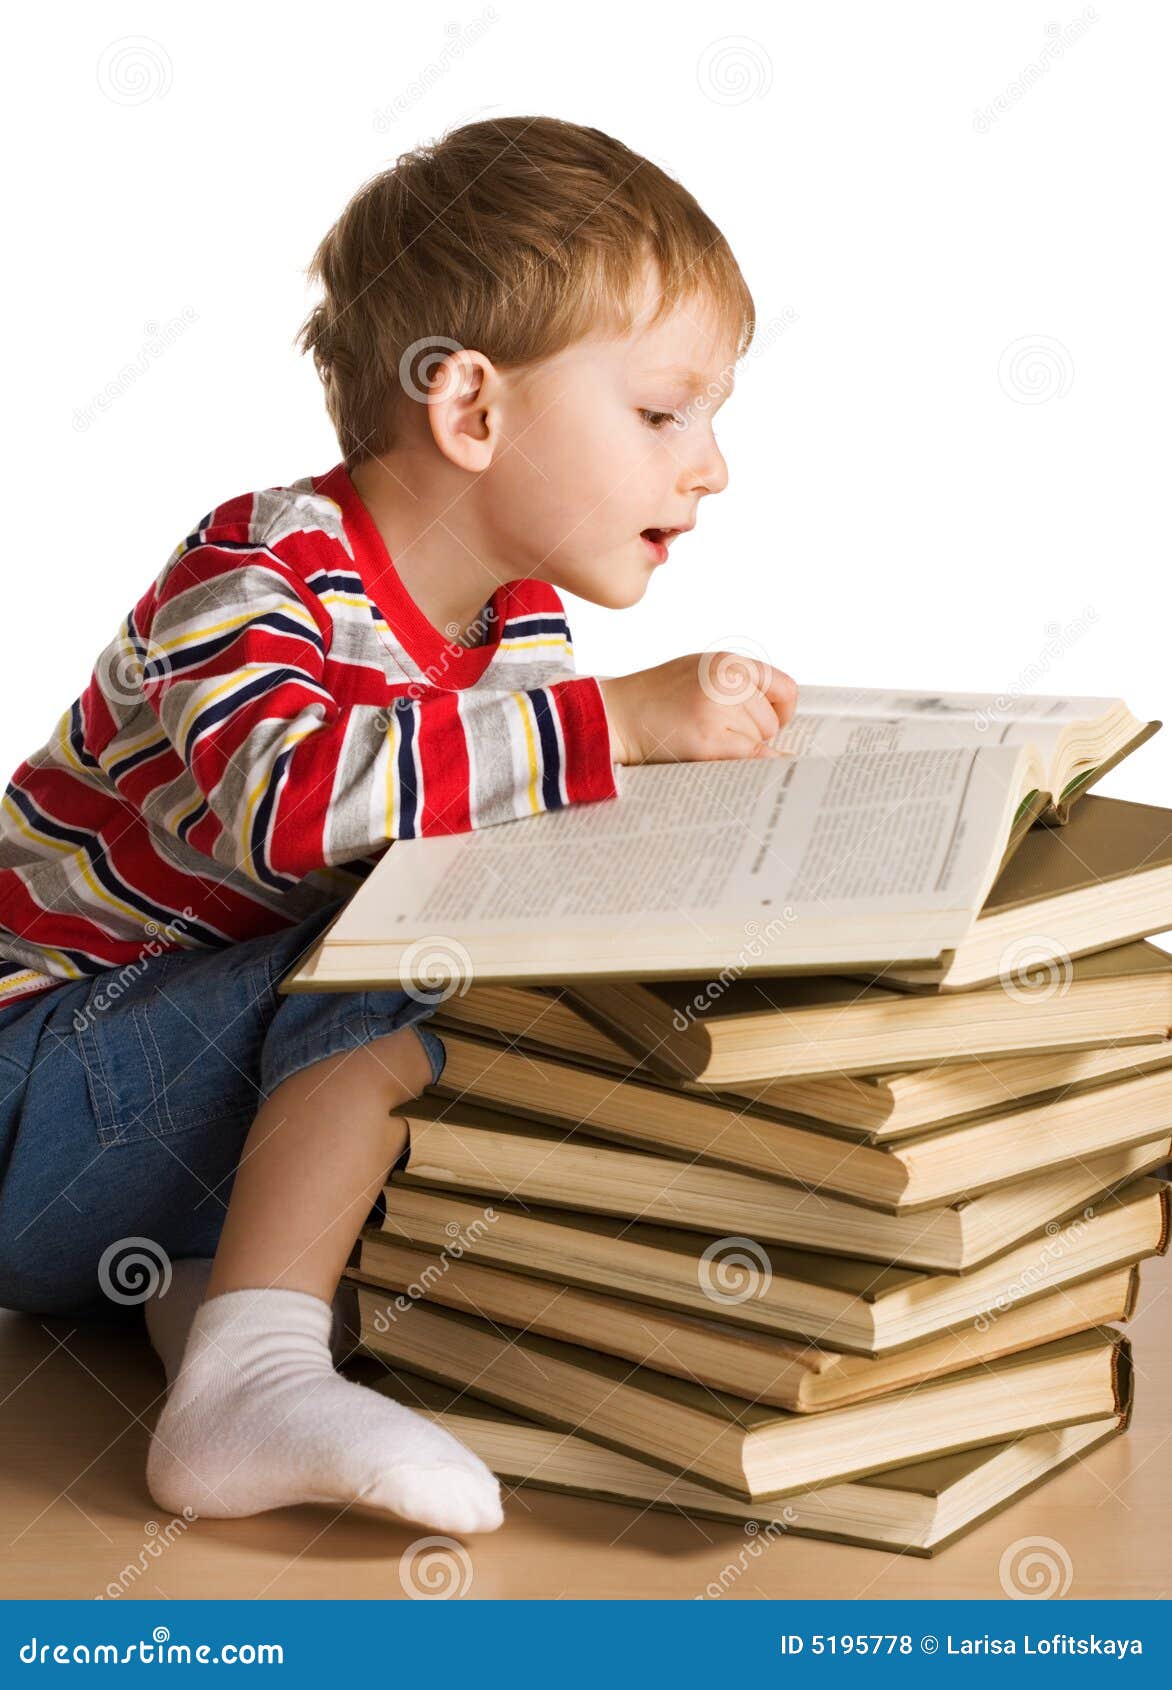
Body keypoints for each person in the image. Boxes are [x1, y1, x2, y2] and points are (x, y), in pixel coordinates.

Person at [0, 115, 796, 1536]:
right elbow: (288, 807)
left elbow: (502, 838)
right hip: (27, 1088)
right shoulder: (259, 568)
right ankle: (250, 1373)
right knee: (399, 937)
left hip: (133, 1163)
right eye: (666, 413)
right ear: (473, 411)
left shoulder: (518, 627)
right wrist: (611, 730)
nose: (711, 466)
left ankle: (222, 1311)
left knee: (469, 940)